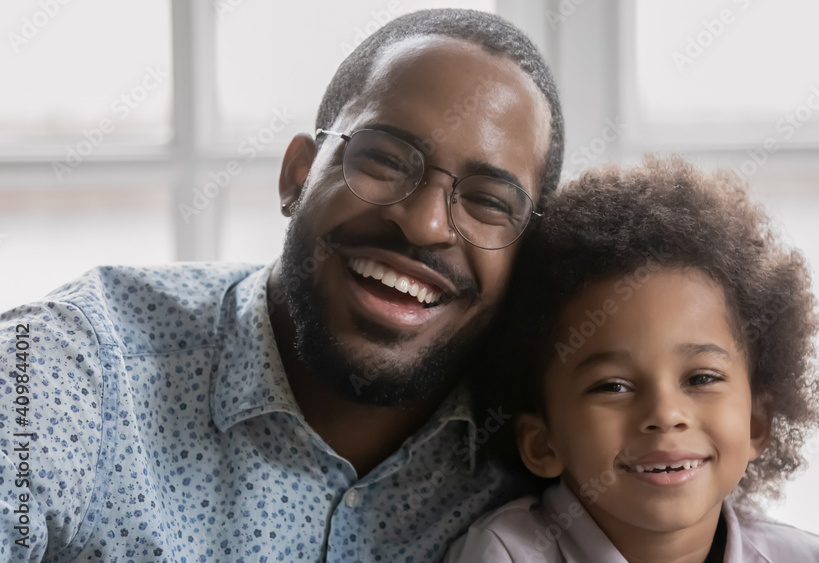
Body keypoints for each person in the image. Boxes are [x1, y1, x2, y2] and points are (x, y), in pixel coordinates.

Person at [0, 9, 563, 562]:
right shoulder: (66, 367)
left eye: (490, 201)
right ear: (299, 174)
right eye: (385, 160)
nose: (423, 224)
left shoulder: (556, 437)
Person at [446, 156, 819, 562]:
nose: (665, 413)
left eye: (701, 378)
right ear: (543, 443)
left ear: (756, 425)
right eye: (613, 386)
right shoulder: (506, 554)